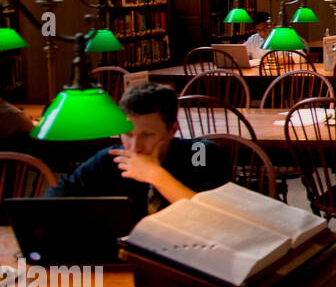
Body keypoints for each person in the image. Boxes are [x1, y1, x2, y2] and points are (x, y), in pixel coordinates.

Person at [46, 83, 228, 221]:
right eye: (128, 134)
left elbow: (215, 218)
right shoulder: (111, 159)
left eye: (147, 135)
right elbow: (53, 201)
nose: (135, 147)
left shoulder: (200, 152)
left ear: (173, 130)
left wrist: (156, 175)